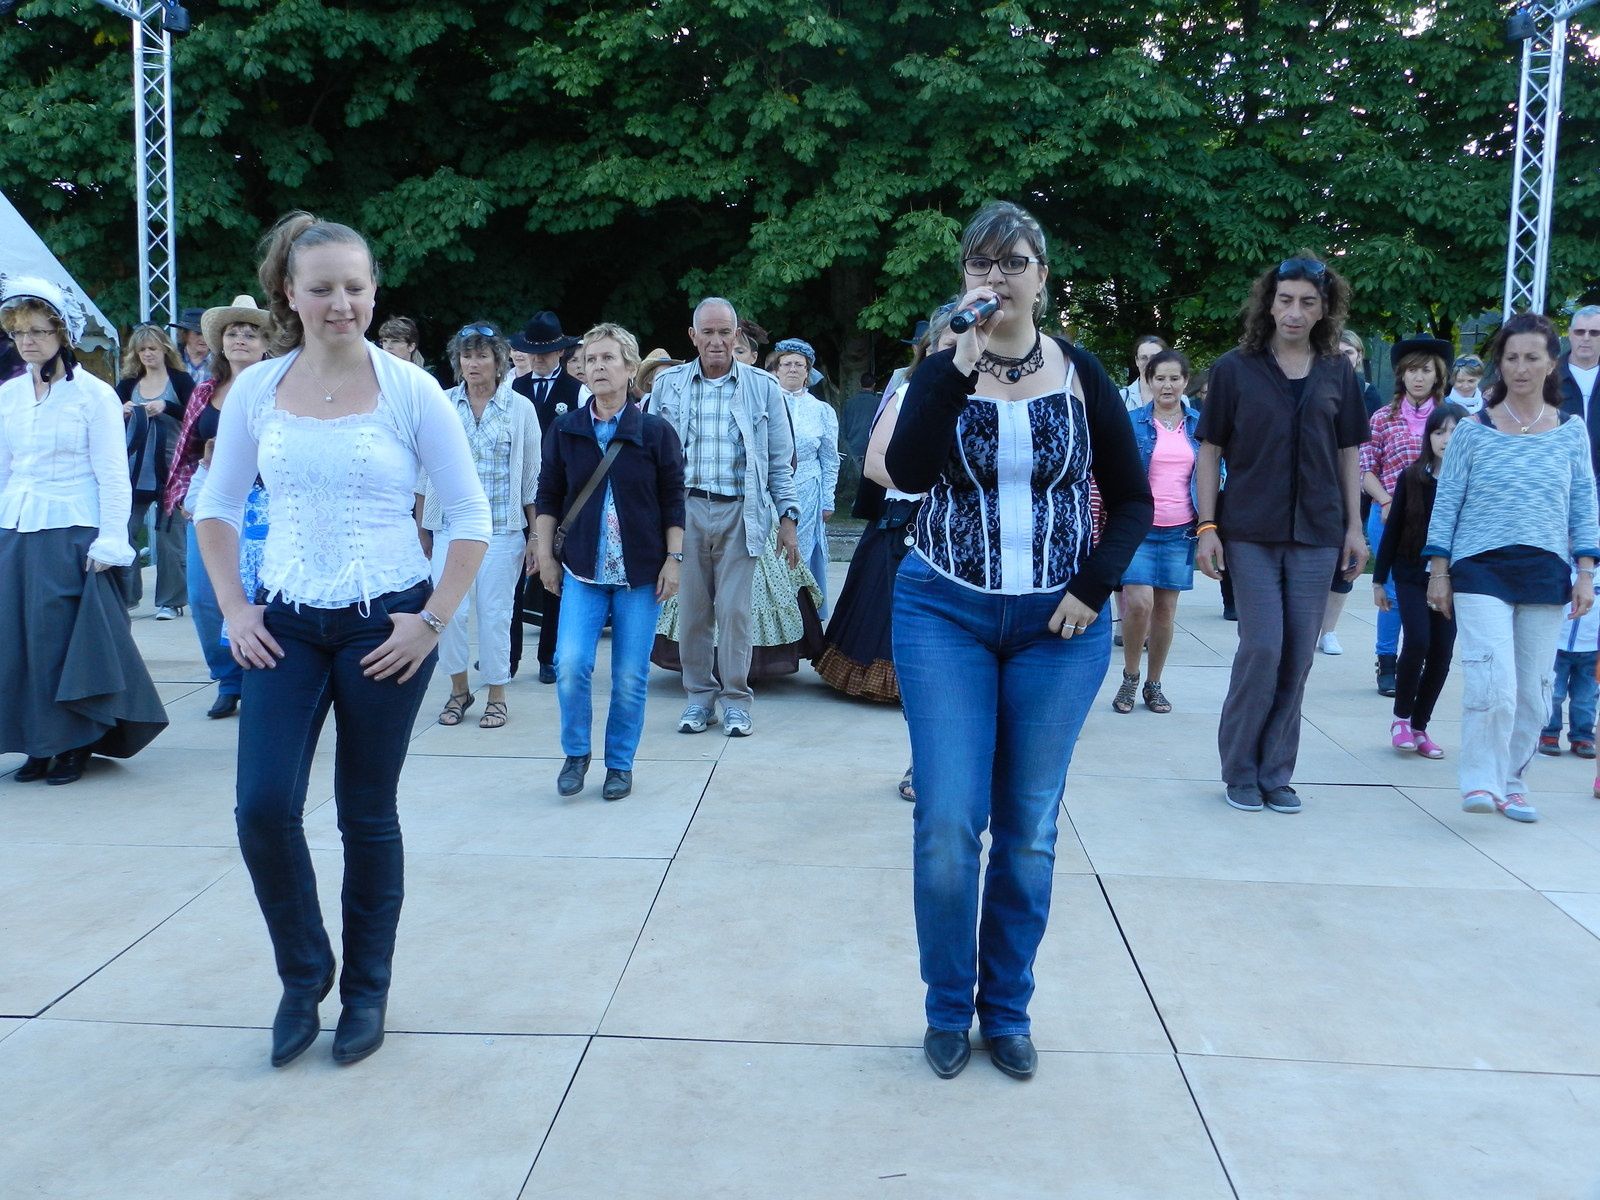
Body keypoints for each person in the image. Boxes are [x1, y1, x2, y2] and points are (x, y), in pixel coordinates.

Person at [195, 212, 489, 1068]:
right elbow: (216, 506)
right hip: (284, 623)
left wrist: (432, 620)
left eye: (355, 287)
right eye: (321, 288)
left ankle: (366, 989)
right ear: (289, 293)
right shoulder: (258, 389)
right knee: (262, 809)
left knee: (366, 814)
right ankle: (303, 974)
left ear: (373, 290)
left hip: (385, 625)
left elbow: (470, 515)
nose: (341, 304)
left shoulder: (411, 390)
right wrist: (235, 608)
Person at [885, 202, 1152, 1082]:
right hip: (944, 613)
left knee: (1028, 829)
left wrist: (1091, 587)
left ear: (1043, 276)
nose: (996, 276)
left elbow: (1134, 500)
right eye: (980, 263)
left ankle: (1007, 1011)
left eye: (1014, 262)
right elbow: (908, 473)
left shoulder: (1080, 372)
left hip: (1057, 628)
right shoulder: (941, 367)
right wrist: (955, 363)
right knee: (948, 822)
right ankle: (945, 1007)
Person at [1196, 253, 1369, 815]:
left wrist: (1354, 528)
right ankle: (1239, 770)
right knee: (1263, 647)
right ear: (1269, 304)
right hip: (1248, 529)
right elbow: (1209, 451)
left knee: (1297, 656)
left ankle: (1276, 773)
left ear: (1324, 310)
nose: (1295, 312)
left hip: (1318, 532)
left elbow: (1348, 453)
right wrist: (1207, 526)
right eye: (1286, 300)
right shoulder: (1234, 369)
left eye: (1307, 303)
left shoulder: (1338, 372)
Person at [1425, 312, 1600, 823]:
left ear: (1551, 364)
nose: (1521, 368)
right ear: (1499, 364)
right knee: (1493, 681)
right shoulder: (1472, 431)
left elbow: (1584, 504)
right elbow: (1447, 502)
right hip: (1480, 569)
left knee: (1534, 690)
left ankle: (1513, 781)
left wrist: (1585, 572)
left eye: (1532, 358)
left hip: (1545, 571)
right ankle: (1480, 781)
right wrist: (1439, 571)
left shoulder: (1571, 432)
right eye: (1511, 358)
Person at [0, 276, 167, 784]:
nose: (27, 340)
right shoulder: (8, 394)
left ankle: (73, 743)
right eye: (19, 331)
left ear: (62, 333)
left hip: (73, 531)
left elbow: (112, 473)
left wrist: (112, 540)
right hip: (16, 530)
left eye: (38, 330)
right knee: (18, 641)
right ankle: (37, 743)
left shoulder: (93, 395)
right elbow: (4, 469)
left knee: (61, 642)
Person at [535, 324, 685, 800]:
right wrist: (544, 555)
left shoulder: (655, 431)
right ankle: (576, 753)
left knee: (629, 676)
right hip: (582, 570)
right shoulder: (566, 429)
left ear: (629, 368)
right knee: (571, 663)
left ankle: (620, 763)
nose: (597, 367)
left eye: (608, 358)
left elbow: (673, 500)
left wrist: (674, 559)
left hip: (641, 574)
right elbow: (548, 495)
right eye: (591, 359)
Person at [816, 306, 958, 804]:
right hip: (909, 523)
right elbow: (875, 464)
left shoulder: (999, 396)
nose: (955, 354)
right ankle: (925, 759)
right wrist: (930, 486)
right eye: (944, 346)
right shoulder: (905, 393)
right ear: (927, 350)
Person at [651, 297, 801, 738]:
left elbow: (780, 461)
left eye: (724, 332)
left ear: (737, 336)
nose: (716, 341)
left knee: (735, 612)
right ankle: (699, 699)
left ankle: (736, 700)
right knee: (693, 612)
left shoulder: (763, 387)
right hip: (686, 512)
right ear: (692, 336)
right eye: (708, 333)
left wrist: (788, 519)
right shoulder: (669, 385)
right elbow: (652, 458)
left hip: (742, 510)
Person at [419, 322, 541, 730]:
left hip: (501, 528)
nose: (473, 363)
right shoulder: (442, 403)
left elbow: (532, 478)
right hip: (450, 526)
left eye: (482, 356)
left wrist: (535, 535)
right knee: (447, 612)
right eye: (466, 355)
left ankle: (497, 694)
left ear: (498, 361)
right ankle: (459, 689)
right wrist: (421, 529)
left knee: (495, 614)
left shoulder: (520, 409)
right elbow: (423, 471)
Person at [162, 295, 274, 719]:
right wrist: (184, 495)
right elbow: (187, 449)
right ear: (220, 343)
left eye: (250, 333)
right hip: (212, 502)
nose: (240, 339)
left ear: (266, 344)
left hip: (266, 504)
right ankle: (228, 679)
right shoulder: (205, 391)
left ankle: (261, 677)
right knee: (204, 594)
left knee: (260, 594)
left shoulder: (280, 390)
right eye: (233, 333)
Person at [1372, 403, 1466, 760]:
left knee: (1442, 653)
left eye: (1455, 432)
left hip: (1452, 580)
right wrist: (1379, 580)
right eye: (1439, 431)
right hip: (1411, 573)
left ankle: (1420, 726)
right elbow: (1393, 528)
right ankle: (1401, 719)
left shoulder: (1472, 480)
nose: (1446, 439)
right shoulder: (1413, 477)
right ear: (1429, 437)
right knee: (1418, 641)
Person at [1361, 336, 1452, 695]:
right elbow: (1366, 468)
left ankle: (1421, 657)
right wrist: (1386, 501)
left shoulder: (1450, 419)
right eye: (1411, 370)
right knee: (1392, 591)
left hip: (1438, 518)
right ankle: (1387, 661)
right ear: (1401, 374)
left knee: (1432, 587)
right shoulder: (1383, 417)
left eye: (1425, 370)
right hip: (1389, 513)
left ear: (1437, 375)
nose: (1418, 377)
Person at [1114, 349, 1200, 715]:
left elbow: (1215, 470)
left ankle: (1154, 684)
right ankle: (1130, 676)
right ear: (1148, 381)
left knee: (1165, 611)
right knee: (1138, 604)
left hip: (1181, 529)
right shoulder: (1131, 422)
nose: (1167, 385)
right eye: (1160, 378)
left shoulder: (1199, 424)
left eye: (1174, 378)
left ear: (1185, 382)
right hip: (1139, 528)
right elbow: (1113, 469)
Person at [509, 311, 582, 684]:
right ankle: (507, 655)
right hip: (518, 493)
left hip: (558, 495)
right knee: (511, 576)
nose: (538, 358)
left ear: (560, 352)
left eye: (545, 352)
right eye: (532, 351)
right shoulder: (513, 388)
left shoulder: (577, 391)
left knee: (552, 574)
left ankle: (549, 655)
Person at [116, 324, 195, 618]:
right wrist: (122, 410)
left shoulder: (181, 380)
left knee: (170, 536)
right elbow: (106, 416)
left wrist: (167, 407)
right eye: (142, 350)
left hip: (172, 469)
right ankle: (126, 596)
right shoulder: (128, 383)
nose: (148, 354)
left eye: (152, 348)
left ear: (164, 349)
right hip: (135, 469)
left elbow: (195, 416)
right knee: (123, 530)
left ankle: (171, 601)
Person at [772, 338, 840, 616]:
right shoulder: (765, 402)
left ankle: (801, 612)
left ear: (808, 372)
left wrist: (828, 499)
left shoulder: (821, 410)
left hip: (808, 490)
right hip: (768, 489)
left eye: (799, 365)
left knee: (800, 548)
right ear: (776, 369)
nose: (792, 369)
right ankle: (772, 612)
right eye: (787, 363)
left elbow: (830, 458)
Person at [1539, 569, 1598, 759]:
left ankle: (1582, 737)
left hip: (1592, 646)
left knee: (1586, 697)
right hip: (1558, 644)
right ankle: (1549, 733)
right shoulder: (1563, 567)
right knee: (1554, 693)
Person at [1558, 304, 1600, 483]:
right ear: (1570, 333)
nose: (1586, 338)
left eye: (1594, 333)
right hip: (1560, 477)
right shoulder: (1548, 377)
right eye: (1580, 332)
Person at [1117, 334, 1167, 412]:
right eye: (1144, 358)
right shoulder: (1122, 397)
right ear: (1137, 361)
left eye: (1155, 358)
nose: (1149, 363)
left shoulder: (1180, 399)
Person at [171, 307, 213, 385]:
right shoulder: (172, 361)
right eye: (198, 333)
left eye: (206, 333)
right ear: (184, 335)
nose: (204, 339)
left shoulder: (221, 363)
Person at [634, 347, 683, 413]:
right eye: (660, 375)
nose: (665, 379)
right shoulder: (641, 408)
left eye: (669, 375)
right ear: (649, 379)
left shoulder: (680, 403)